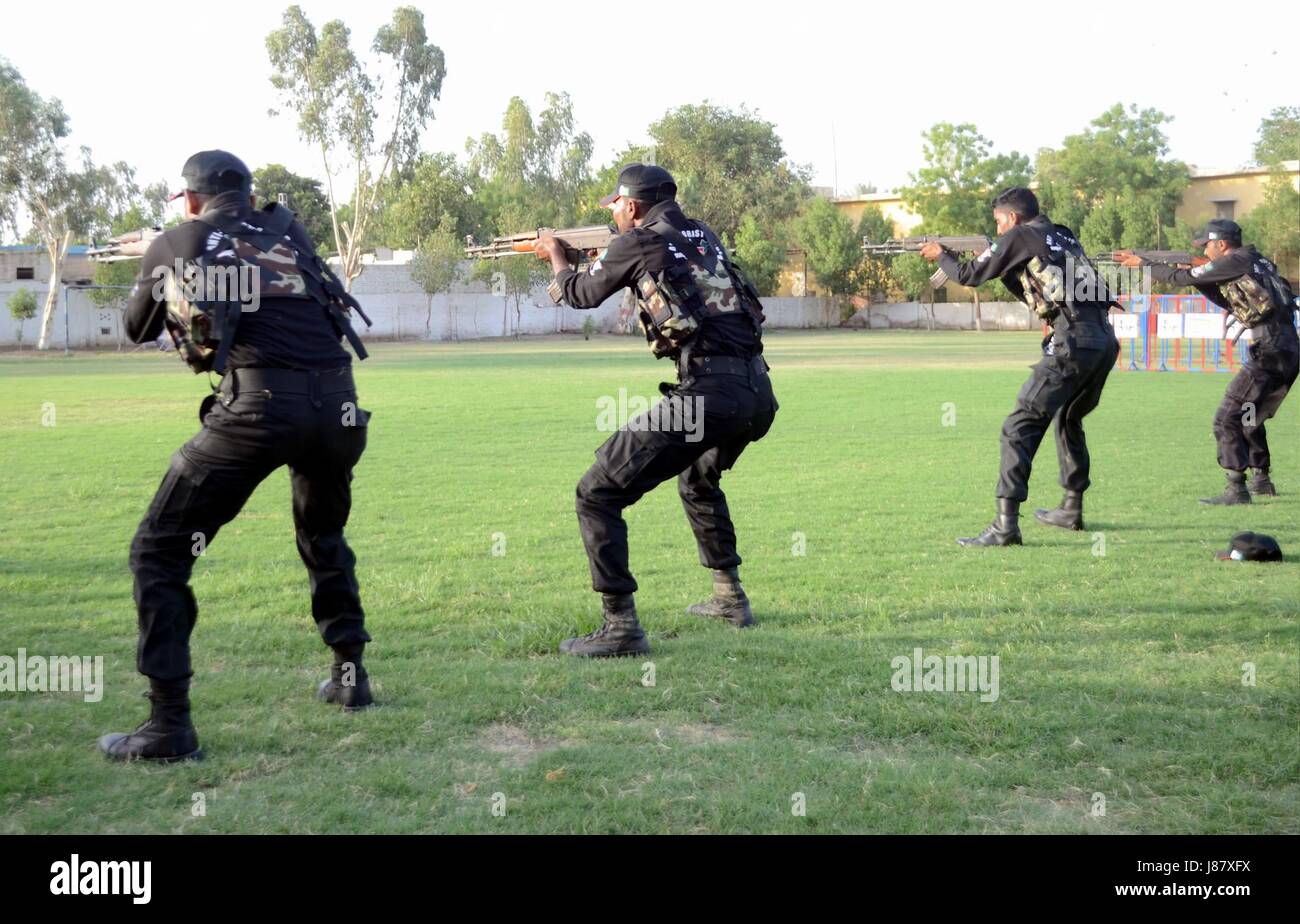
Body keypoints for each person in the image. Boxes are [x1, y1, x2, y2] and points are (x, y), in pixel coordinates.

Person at [100, 150, 374, 762]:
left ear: (190, 199)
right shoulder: (289, 229)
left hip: (259, 408)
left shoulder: (182, 238)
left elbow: (137, 328)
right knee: (323, 537)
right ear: (250, 195)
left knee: (158, 550)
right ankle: (350, 679)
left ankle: (169, 725)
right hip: (339, 404)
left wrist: (160, 262)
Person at [535, 164, 778, 656]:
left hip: (710, 392)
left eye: (617, 206)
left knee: (597, 493)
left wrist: (557, 259)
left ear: (633, 205)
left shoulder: (637, 240)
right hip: (757, 392)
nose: (616, 214)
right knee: (697, 478)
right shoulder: (701, 234)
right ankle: (730, 598)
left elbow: (581, 294)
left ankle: (620, 628)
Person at [919, 187, 1120, 546]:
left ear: (1012, 218)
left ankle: (1005, 526)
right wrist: (997, 259)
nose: (999, 232)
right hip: (1103, 341)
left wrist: (941, 256)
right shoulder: (1061, 235)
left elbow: (967, 275)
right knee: (1069, 417)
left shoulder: (1021, 235)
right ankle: (1071, 508)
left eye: (1000, 223)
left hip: (1073, 342)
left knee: (1018, 426)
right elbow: (1038, 286)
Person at [1118, 219, 1299, 504]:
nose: (1206, 250)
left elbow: (1182, 279)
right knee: (1249, 414)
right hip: (1287, 349)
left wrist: (1144, 264)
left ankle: (1236, 488)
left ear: (1221, 244)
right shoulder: (1255, 260)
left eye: (1207, 246)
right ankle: (1261, 479)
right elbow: (1232, 301)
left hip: (1270, 349)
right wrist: (1198, 277)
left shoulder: (1236, 260)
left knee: (1226, 417)